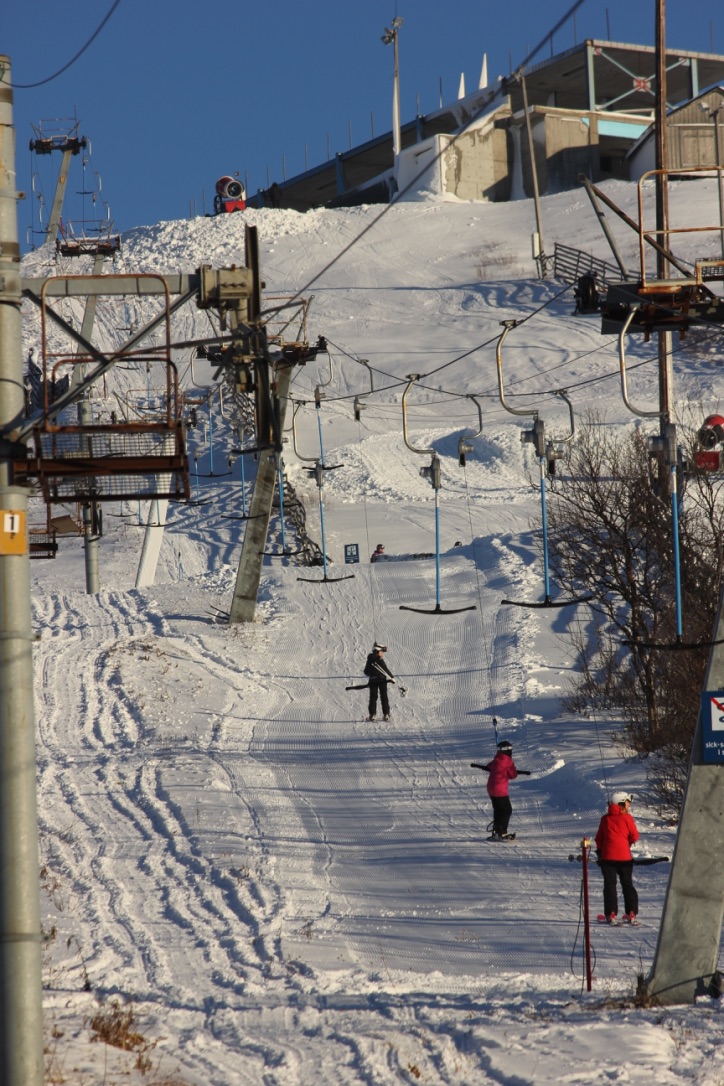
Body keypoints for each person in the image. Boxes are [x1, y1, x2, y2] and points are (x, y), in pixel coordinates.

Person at [595, 791, 640, 924]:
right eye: (627, 802)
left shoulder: (605, 819)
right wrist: (627, 843)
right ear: (621, 803)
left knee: (610, 885)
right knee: (627, 884)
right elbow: (635, 836)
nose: (629, 804)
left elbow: (599, 839)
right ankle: (631, 913)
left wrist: (601, 851)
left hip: (608, 858)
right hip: (625, 858)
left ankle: (611, 914)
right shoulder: (628, 818)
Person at [483, 740, 520, 841]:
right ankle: (502, 832)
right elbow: (513, 775)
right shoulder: (508, 761)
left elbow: (489, 766)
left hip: (491, 789)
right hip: (500, 789)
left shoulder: (496, 759)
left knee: (498, 809)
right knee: (507, 810)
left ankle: (496, 830)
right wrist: (513, 770)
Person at [364, 642, 394, 721]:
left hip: (373, 680)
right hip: (382, 680)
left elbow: (366, 671)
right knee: (384, 697)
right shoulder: (380, 660)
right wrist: (392, 677)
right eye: (381, 652)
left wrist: (372, 673)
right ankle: (386, 715)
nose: (382, 654)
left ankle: (372, 715)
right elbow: (385, 669)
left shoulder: (369, 660)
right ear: (378, 651)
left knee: (373, 698)